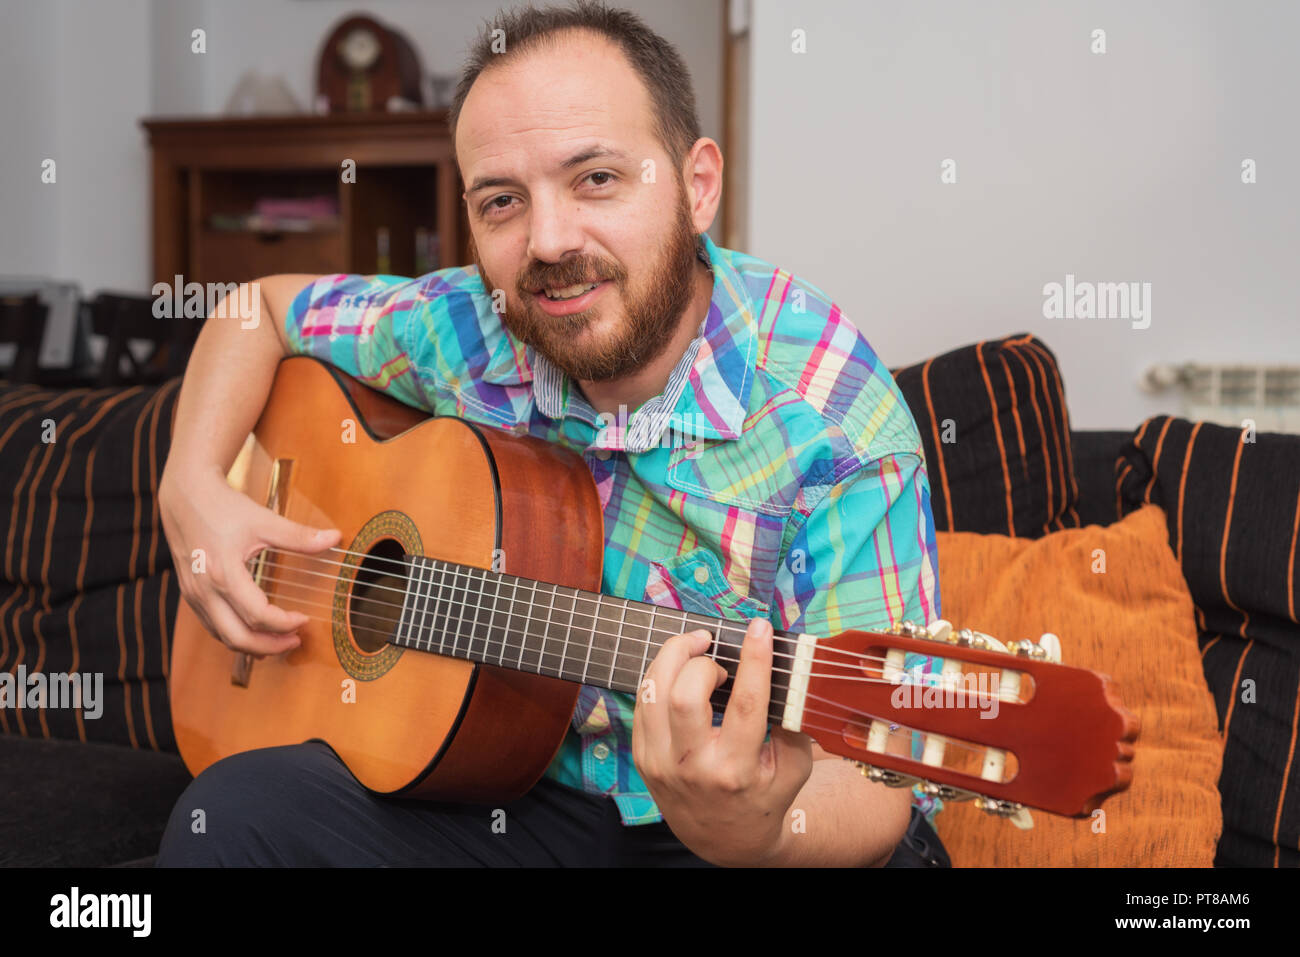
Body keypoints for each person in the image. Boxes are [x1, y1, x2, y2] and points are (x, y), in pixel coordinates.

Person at [155, 0, 950, 868]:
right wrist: (192, 480)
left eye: (596, 178)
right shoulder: (465, 324)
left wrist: (760, 831)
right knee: (232, 817)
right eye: (502, 201)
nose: (550, 240)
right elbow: (254, 307)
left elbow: (882, 777)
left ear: (698, 186)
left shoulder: (836, 419)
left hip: (733, 828)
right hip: (505, 792)